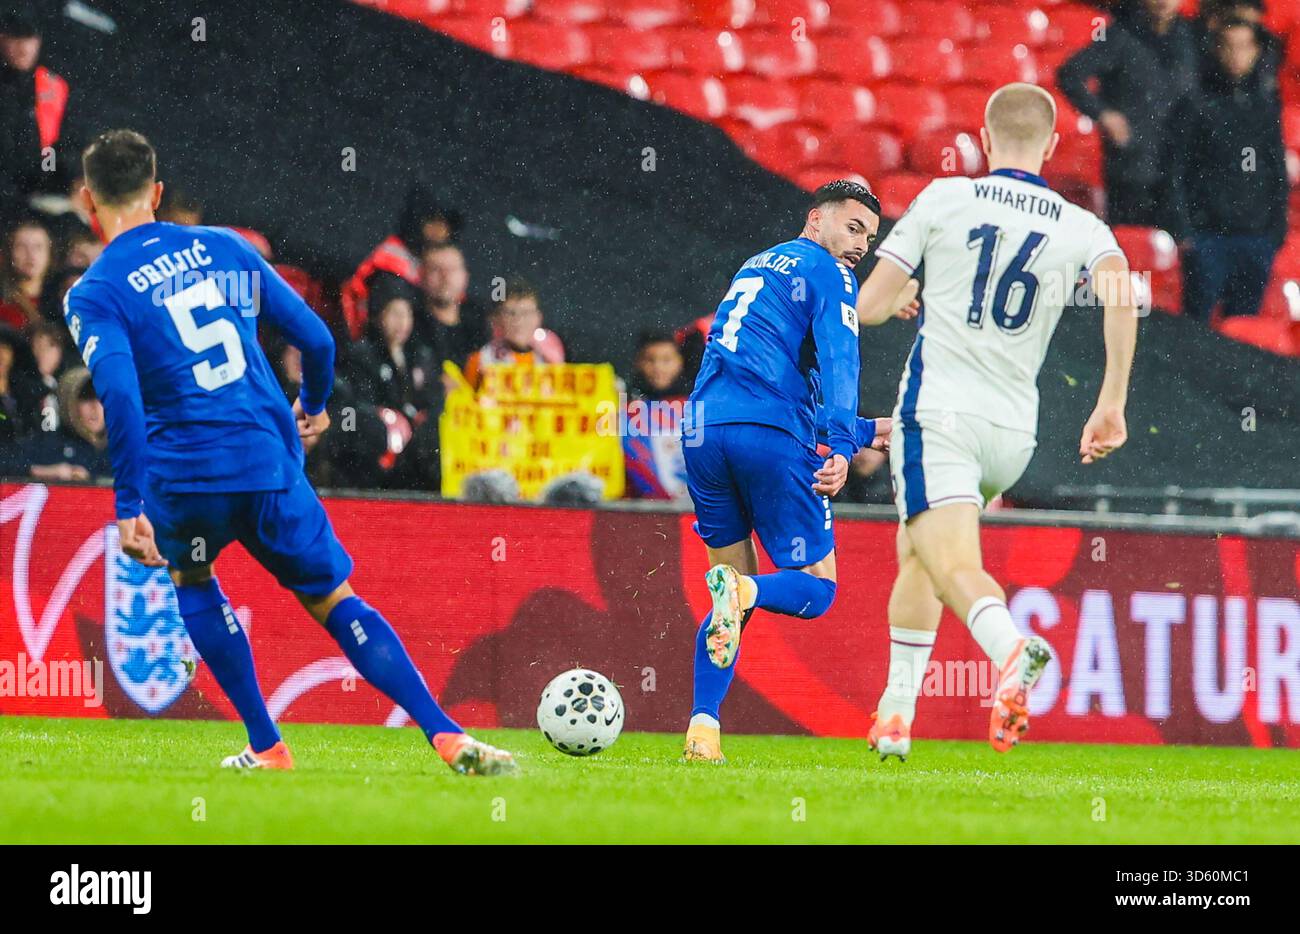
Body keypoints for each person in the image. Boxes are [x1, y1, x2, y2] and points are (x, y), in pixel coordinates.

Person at [63, 129, 515, 775]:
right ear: (157, 193)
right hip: (268, 462)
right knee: (337, 602)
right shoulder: (226, 248)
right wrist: (313, 406)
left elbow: (122, 401)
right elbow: (317, 340)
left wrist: (129, 501)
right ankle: (445, 735)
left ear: (88, 201)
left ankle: (267, 744)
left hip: (185, 478)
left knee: (193, 580)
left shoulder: (96, 290)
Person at [855, 83, 1138, 760]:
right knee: (918, 551)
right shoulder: (1080, 225)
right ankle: (894, 718)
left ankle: (1011, 651)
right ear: (1050, 146)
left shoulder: (946, 197)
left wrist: (897, 299)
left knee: (950, 561)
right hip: (1013, 431)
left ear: (983, 140)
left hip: (939, 414)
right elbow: (1122, 292)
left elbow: (866, 307)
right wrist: (1112, 399)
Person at [680, 180, 904, 762]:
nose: (860, 245)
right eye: (853, 228)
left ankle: (703, 730)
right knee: (817, 589)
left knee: (725, 605)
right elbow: (839, 359)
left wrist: (870, 429)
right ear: (816, 220)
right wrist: (838, 446)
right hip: (770, 438)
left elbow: (778, 382)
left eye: (869, 238)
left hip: (704, 432)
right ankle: (747, 590)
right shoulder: (831, 274)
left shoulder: (757, 265)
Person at [1169, 19, 1287, 320]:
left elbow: (1276, 172)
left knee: (1244, 333)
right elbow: (1176, 171)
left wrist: (1274, 232)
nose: (1237, 55)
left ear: (1257, 52)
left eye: (1245, 47)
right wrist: (1186, 232)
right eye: (1229, 46)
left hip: (1255, 239)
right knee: (1197, 329)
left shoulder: (1264, 107)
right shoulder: (1196, 104)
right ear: (1216, 49)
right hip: (1208, 237)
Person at [1056, 0, 1199, 227]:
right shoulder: (1122, 34)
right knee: (1132, 247)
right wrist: (1103, 114)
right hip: (1133, 166)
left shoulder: (1196, 37)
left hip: (1187, 169)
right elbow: (1070, 74)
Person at [463, 279, 563, 389]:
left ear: (538, 317)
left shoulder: (551, 357)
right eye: (510, 313)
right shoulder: (481, 360)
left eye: (526, 313)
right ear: (498, 318)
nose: (518, 320)